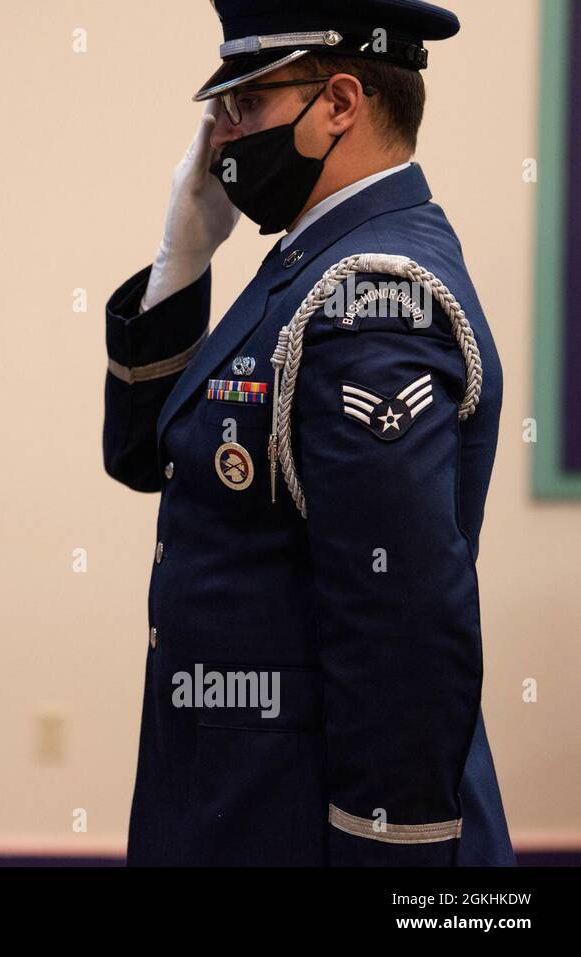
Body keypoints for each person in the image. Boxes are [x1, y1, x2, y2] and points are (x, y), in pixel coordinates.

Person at [103, 0, 515, 865]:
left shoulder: (371, 299)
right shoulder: (311, 267)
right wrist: (184, 258)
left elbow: (400, 634)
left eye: (245, 106)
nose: (222, 140)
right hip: (234, 802)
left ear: (338, 103)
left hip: (297, 823)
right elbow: (146, 458)